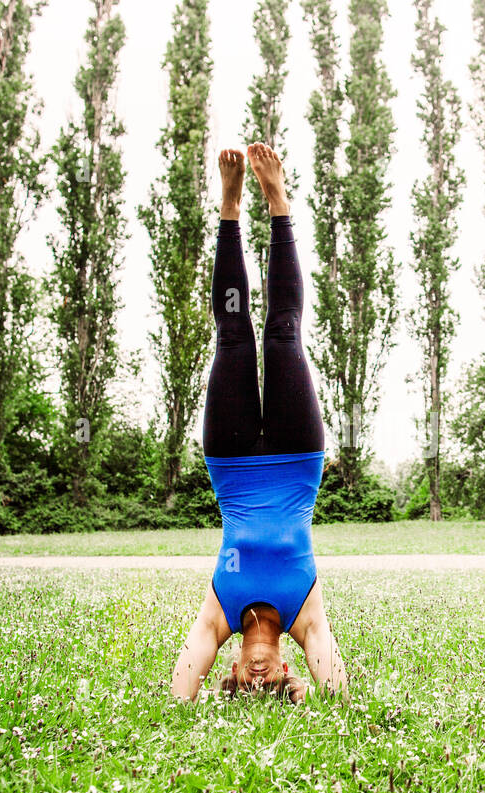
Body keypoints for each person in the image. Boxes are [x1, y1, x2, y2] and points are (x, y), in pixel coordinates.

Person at [170, 144, 348, 704]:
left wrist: (190, 707)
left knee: (232, 335)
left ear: (234, 669)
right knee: (283, 332)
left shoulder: (220, 611)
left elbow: (181, 690)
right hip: (298, 460)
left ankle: (229, 208)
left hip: (230, 462)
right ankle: (279, 207)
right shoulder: (304, 612)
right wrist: (310, 698)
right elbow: (340, 695)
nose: (256, 680)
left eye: (245, 685)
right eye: (268, 686)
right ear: (285, 671)